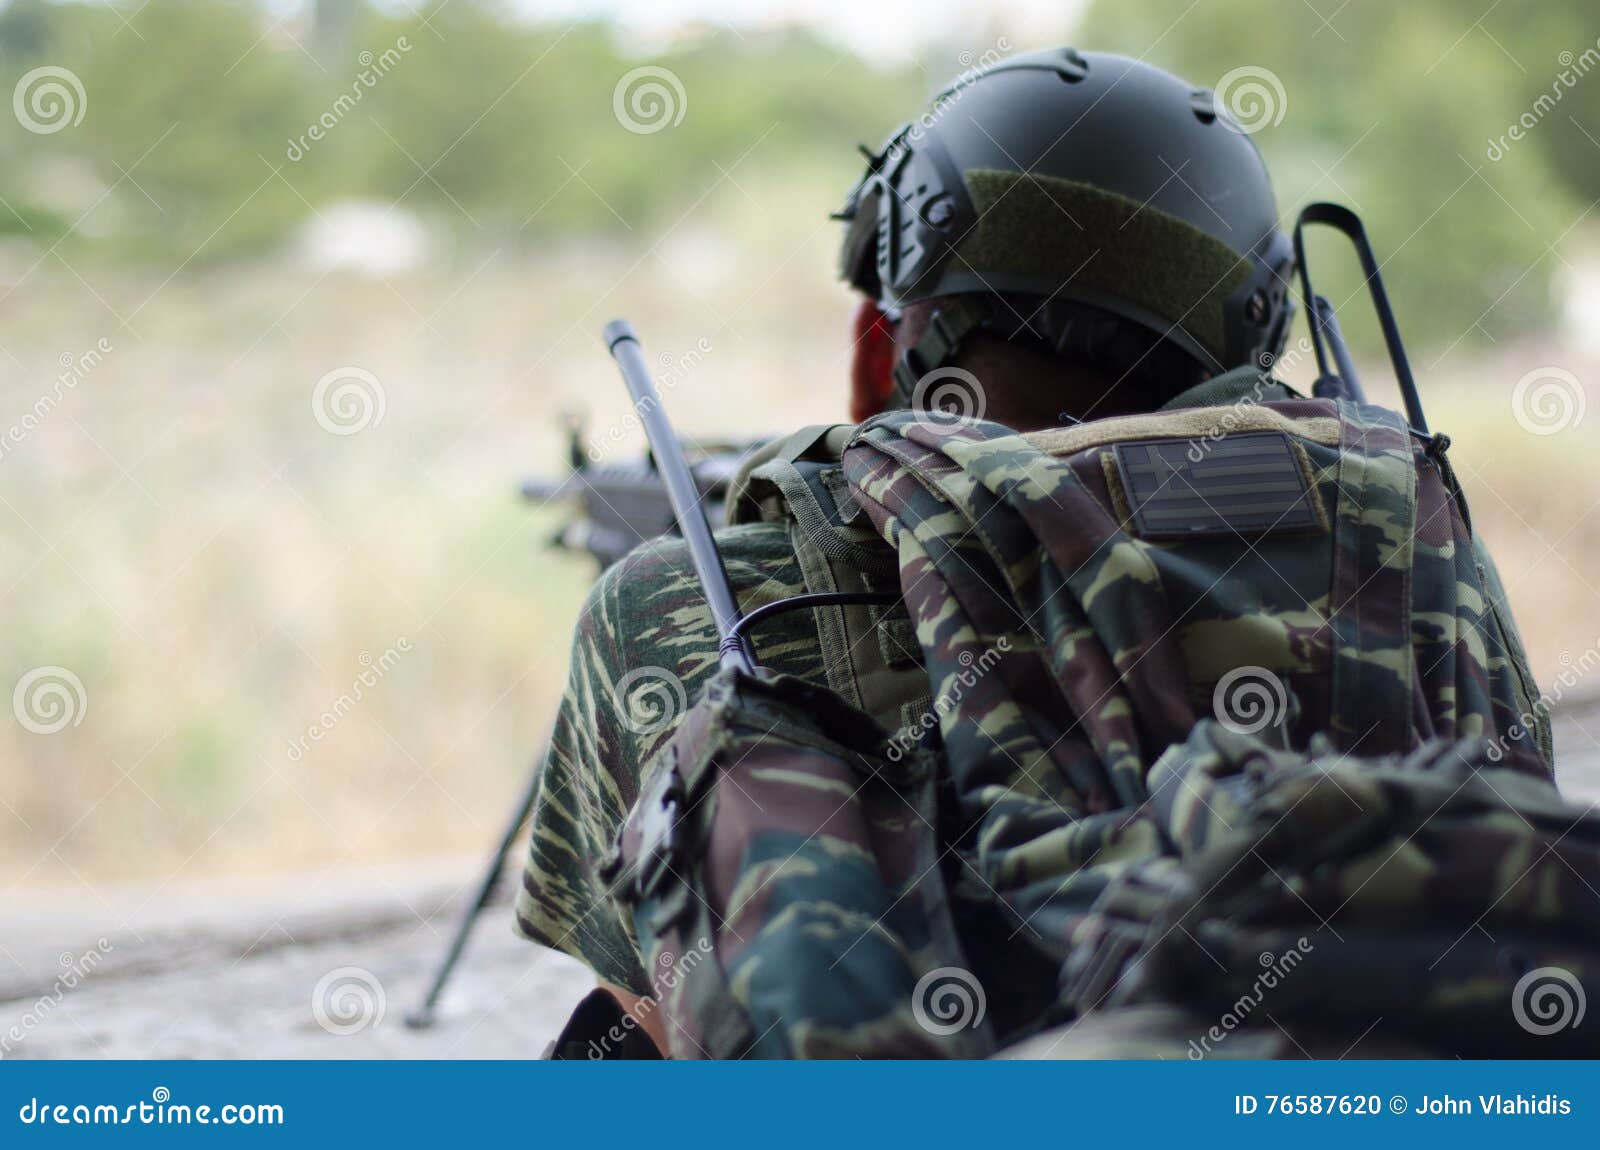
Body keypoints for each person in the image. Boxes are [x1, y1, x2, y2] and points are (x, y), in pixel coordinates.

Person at [513, 48, 1557, 1058]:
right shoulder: (1403, 531)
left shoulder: (688, 598)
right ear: (1255, 318)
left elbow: (660, 1014)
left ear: (906, 323)